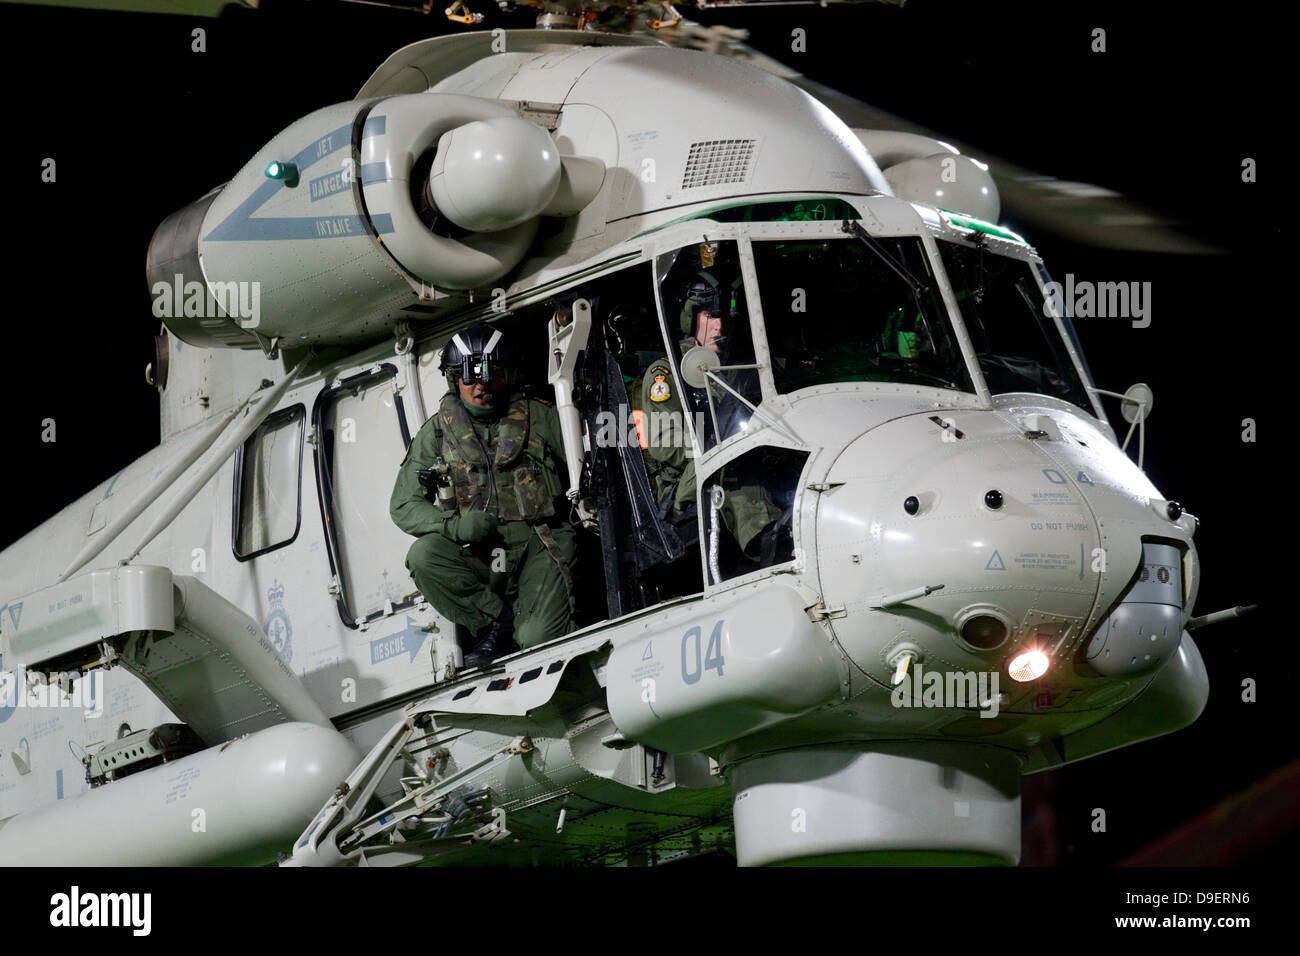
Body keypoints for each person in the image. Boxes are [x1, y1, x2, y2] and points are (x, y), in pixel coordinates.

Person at [389, 322, 576, 669]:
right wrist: (453, 527)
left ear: (508, 374)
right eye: (470, 377)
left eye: (491, 376)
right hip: (483, 553)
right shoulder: (438, 432)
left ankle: (541, 625)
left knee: (537, 642)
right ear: (453, 379)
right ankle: (494, 620)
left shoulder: (539, 415)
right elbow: (404, 505)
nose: (481, 386)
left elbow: (587, 461)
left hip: (539, 543)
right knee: (424, 555)